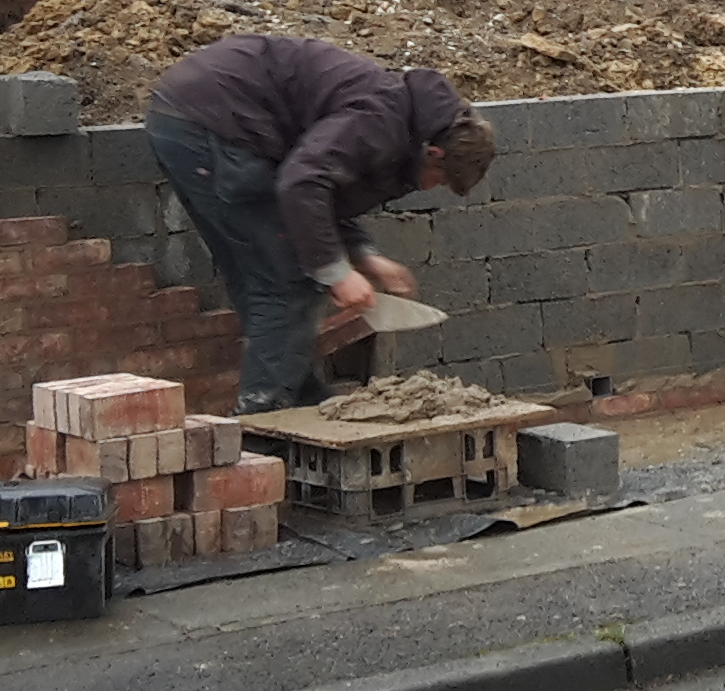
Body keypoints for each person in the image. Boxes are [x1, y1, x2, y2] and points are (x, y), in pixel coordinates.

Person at [143, 35, 496, 413]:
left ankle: (294, 395)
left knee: (268, 275)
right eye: (438, 180)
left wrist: (363, 256)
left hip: (204, 118)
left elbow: (322, 193)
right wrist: (337, 273)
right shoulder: (380, 121)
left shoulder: (402, 124)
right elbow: (301, 183)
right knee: (287, 279)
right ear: (435, 153)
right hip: (213, 122)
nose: (430, 188)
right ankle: (265, 422)